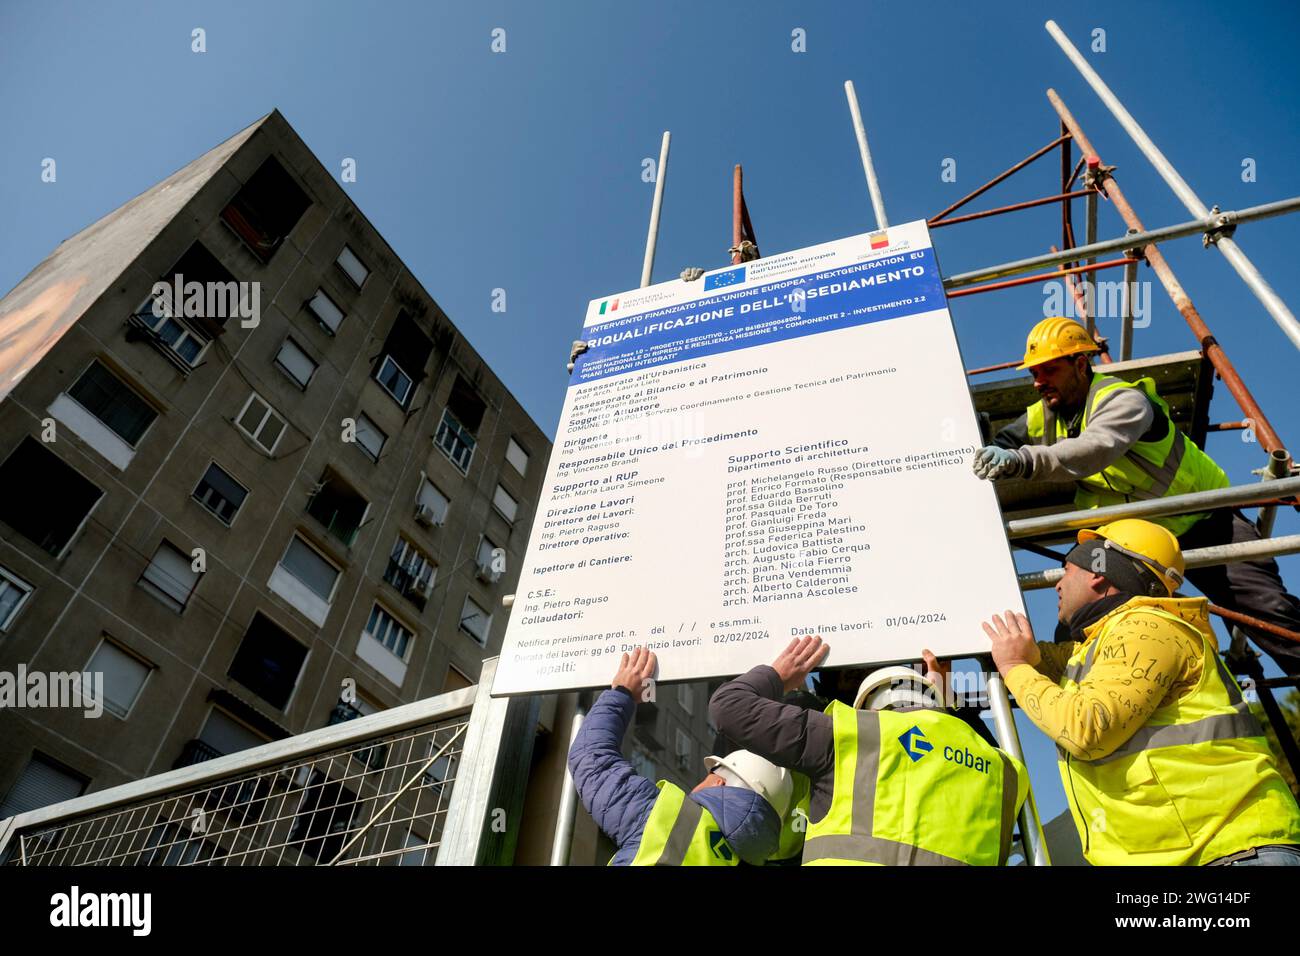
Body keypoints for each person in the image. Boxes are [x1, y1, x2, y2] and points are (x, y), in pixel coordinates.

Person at [972, 315, 1300, 676]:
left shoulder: (1124, 401)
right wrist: (983, 443)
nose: (1038, 383)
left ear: (1080, 365)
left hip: (1204, 522)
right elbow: (1008, 438)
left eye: (1048, 370)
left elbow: (1092, 450)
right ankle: (1084, 710)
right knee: (1076, 625)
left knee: (1273, 616)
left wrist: (1021, 461)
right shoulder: (1046, 413)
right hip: (1129, 545)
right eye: (1034, 373)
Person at [983, 518, 1300, 866]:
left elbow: (1086, 728)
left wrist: (1014, 668)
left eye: (1067, 569)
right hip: (1207, 854)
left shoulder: (1147, 629)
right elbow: (1038, 657)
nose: (1056, 585)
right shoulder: (1097, 648)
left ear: (1098, 573)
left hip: (1230, 853)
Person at [709, 642, 1028, 865]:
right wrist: (948, 702)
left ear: (866, 708)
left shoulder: (851, 736)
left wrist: (777, 676)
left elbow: (728, 707)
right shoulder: (1006, 771)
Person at [567, 646, 792, 865]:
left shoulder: (671, 821)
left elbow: (590, 759)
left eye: (708, 774)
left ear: (719, 782)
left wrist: (622, 693)